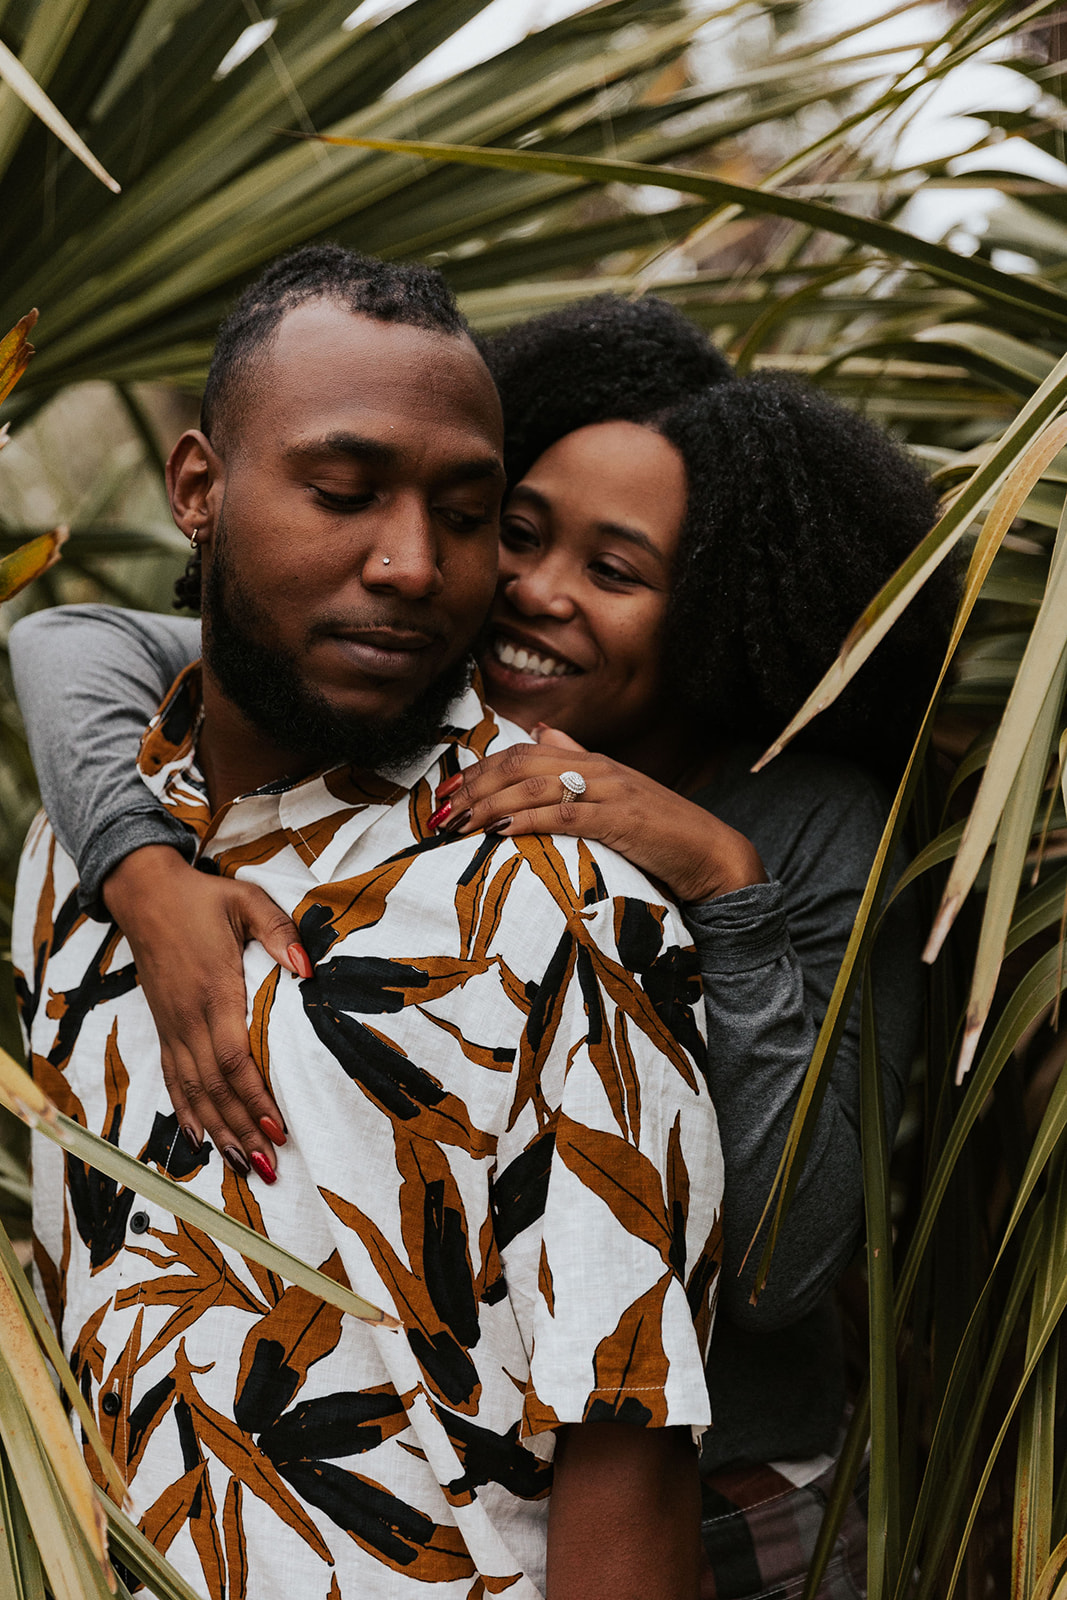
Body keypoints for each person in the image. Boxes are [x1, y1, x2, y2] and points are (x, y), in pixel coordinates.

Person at [12, 292, 951, 1599]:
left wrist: (725, 886)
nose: (528, 590)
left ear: (718, 610)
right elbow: (69, 643)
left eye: (614, 572)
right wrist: (144, 869)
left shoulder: (793, 828)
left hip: (728, 1510)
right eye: (509, 530)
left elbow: (786, 1263)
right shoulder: (383, 685)